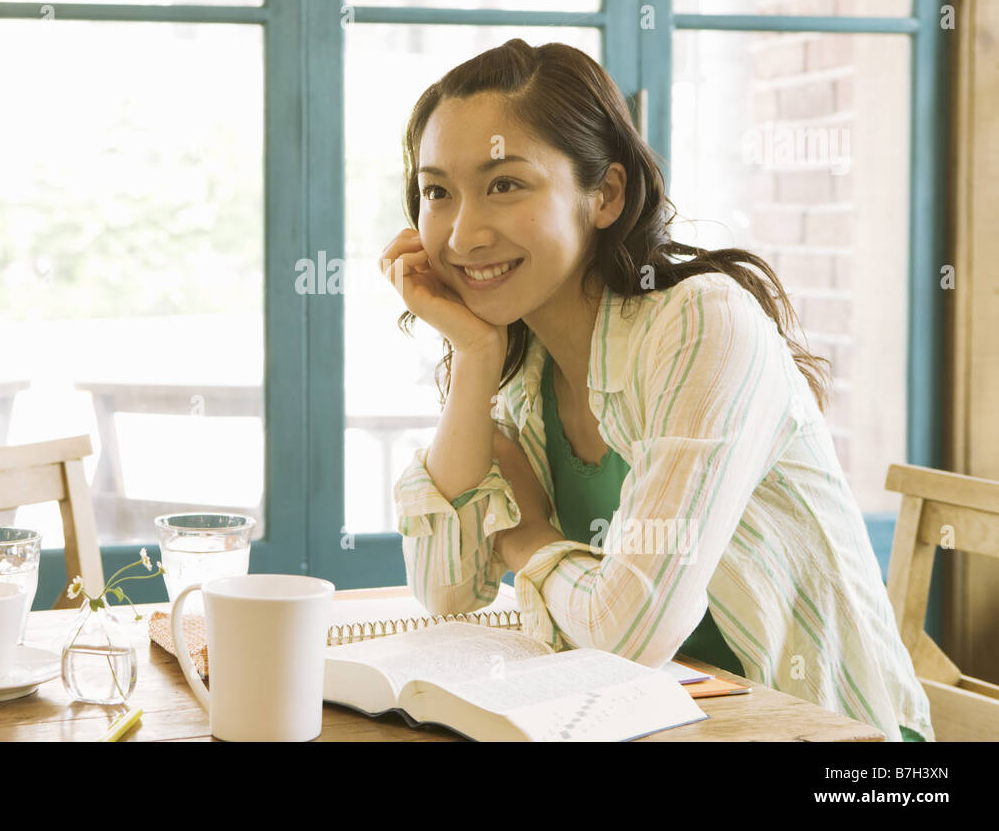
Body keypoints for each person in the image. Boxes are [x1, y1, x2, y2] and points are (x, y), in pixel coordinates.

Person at [378, 38, 933, 742]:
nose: (462, 234)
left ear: (604, 194)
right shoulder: (521, 362)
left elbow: (629, 633)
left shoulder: (702, 325)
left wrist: (529, 541)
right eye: (437, 193)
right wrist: (474, 353)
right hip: (650, 725)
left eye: (505, 184)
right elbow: (447, 591)